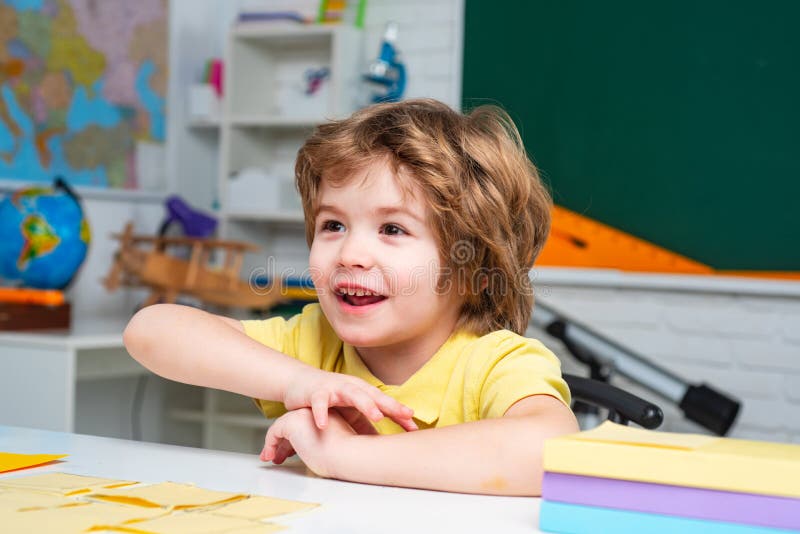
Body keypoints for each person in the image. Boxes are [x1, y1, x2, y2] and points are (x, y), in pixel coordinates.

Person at [124, 98, 578, 496]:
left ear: (476, 271)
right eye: (333, 225)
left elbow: (551, 451)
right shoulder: (314, 343)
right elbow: (150, 330)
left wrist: (347, 456)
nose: (351, 254)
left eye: (393, 229)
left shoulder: (498, 363)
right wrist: (295, 382)